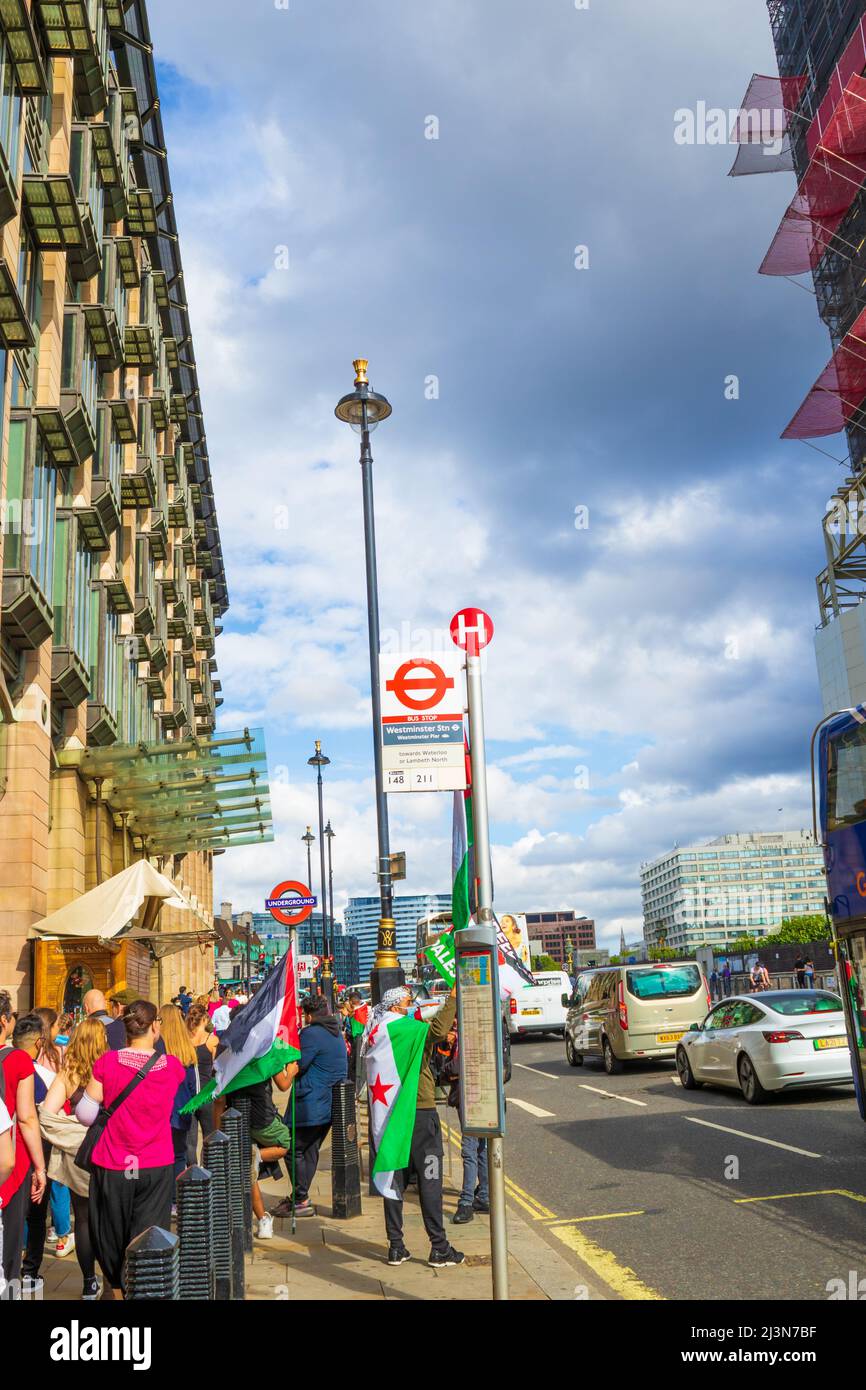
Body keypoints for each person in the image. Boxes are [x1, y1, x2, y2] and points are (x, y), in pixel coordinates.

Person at [76, 1000, 185, 1299]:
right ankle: (144, 1287)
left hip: (114, 1162)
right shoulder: (171, 1067)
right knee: (148, 1231)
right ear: (154, 1027)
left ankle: (116, 1286)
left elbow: (85, 1114)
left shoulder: (108, 1063)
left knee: (110, 1231)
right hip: (154, 1162)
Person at [364, 984, 464, 1269]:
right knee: (430, 1179)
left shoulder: (379, 1029)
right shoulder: (400, 1028)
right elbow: (436, 1032)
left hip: (391, 1116)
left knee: (394, 1179)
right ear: (396, 1007)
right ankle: (439, 1248)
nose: (412, 1006)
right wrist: (453, 999)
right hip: (419, 1113)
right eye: (408, 1002)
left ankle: (396, 1247)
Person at [41, 1017, 109, 1300]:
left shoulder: (68, 1072)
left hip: (79, 1157)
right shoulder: (110, 1068)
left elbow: (47, 1113)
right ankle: (114, 1278)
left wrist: (73, 1130)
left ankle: (89, 1282)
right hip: (108, 1152)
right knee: (109, 1217)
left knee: (83, 1218)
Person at [269, 993, 347, 1221]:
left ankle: (301, 1199)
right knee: (309, 1151)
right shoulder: (335, 1032)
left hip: (311, 1104)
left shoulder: (312, 1033)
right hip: (327, 1104)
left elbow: (299, 1065)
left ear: (310, 1015)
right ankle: (300, 1197)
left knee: (290, 1148)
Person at [0, 991, 47, 1300]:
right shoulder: (18, 1059)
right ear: (4, 1021)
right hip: (7, 1161)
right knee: (9, 1247)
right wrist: (40, 1167)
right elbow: (28, 1118)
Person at [438, 1020, 489, 1225]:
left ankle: (466, 1202)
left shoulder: (468, 1035)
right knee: (480, 1148)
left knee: (469, 1149)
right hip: (481, 1096)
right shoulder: (474, 1032)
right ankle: (484, 1195)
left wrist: (447, 1069)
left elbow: (457, 1067)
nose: (452, 1026)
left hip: (471, 1098)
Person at [33, 1008, 73, 1257]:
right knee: (59, 1181)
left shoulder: (35, 1053)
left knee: (37, 1181)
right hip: (57, 1119)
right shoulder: (62, 1048)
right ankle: (61, 1235)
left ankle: (28, 1240)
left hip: (38, 1120)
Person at [158, 1003, 199, 1181]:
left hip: (160, 1112)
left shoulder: (157, 1049)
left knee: (159, 1157)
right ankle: (175, 1200)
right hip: (181, 1112)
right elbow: (194, 1088)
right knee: (179, 1155)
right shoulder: (187, 1050)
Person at [185, 1004, 218, 1163]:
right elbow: (218, 1068)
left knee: (190, 1143)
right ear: (204, 1019)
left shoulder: (184, 1041)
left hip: (189, 1096)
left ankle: (192, 1176)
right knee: (210, 1137)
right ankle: (210, 1172)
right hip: (207, 1095)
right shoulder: (211, 1040)